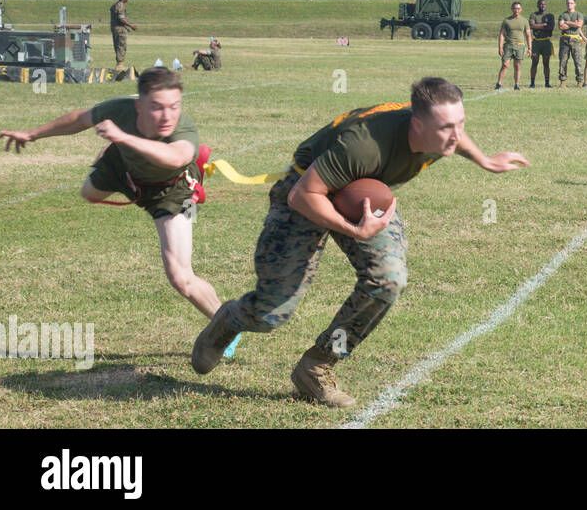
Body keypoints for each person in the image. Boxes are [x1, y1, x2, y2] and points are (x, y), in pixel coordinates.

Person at [191, 77, 529, 408]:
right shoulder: (365, 144)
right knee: (271, 313)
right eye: (445, 129)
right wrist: (354, 231)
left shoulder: (440, 132)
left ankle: (317, 367)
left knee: (388, 280)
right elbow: (301, 195)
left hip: (363, 193)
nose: (455, 136)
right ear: (417, 125)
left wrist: (484, 159)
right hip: (308, 190)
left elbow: (453, 130)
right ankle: (230, 319)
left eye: (460, 124)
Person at [0, 67, 232, 327]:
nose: (168, 116)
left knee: (181, 277)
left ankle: (226, 325)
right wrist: (31, 134)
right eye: (157, 107)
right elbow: (80, 119)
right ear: (139, 105)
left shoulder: (183, 128)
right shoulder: (121, 109)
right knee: (88, 193)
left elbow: (175, 157)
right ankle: (114, 156)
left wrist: (122, 138)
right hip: (124, 169)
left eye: (174, 106)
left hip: (176, 191)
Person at [495, 1, 532, 91]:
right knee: (505, 65)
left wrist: (530, 48)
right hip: (508, 45)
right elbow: (502, 34)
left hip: (520, 46)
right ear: (512, 9)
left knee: (517, 65)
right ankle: (499, 84)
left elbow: (528, 35)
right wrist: (500, 47)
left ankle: (517, 84)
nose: (516, 10)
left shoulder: (524, 21)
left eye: (518, 8)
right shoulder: (507, 21)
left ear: (521, 9)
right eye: (515, 8)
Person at [557, 0, 587, 88]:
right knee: (563, 61)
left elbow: (579, 25)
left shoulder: (579, 14)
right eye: (568, 3)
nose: (569, 5)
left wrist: (567, 22)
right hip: (565, 40)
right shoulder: (562, 15)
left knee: (578, 61)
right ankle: (562, 82)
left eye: (571, 3)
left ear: (575, 4)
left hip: (576, 40)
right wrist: (573, 24)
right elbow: (561, 27)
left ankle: (579, 81)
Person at [528, 0, 555, 88]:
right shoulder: (533, 15)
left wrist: (538, 26)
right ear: (537, 5)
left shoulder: (550, 16)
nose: (542, 6)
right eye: (540, 4)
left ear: (546, 6)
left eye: (544, 4)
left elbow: (550, 27)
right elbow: (531, 26)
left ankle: (547, 83)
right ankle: (532, 83)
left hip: (546, 41)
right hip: (536, 42)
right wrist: (544, 25)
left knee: (546, 63)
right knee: (534, 62)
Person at [110, 0, 137, 69]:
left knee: (118, 45)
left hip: (116, 29)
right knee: (121, 45)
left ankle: (119, 63)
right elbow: (121, 19)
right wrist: (131, 26)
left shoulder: (116, 5)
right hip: (120, 29)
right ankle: (120, 64)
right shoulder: (120, 5)